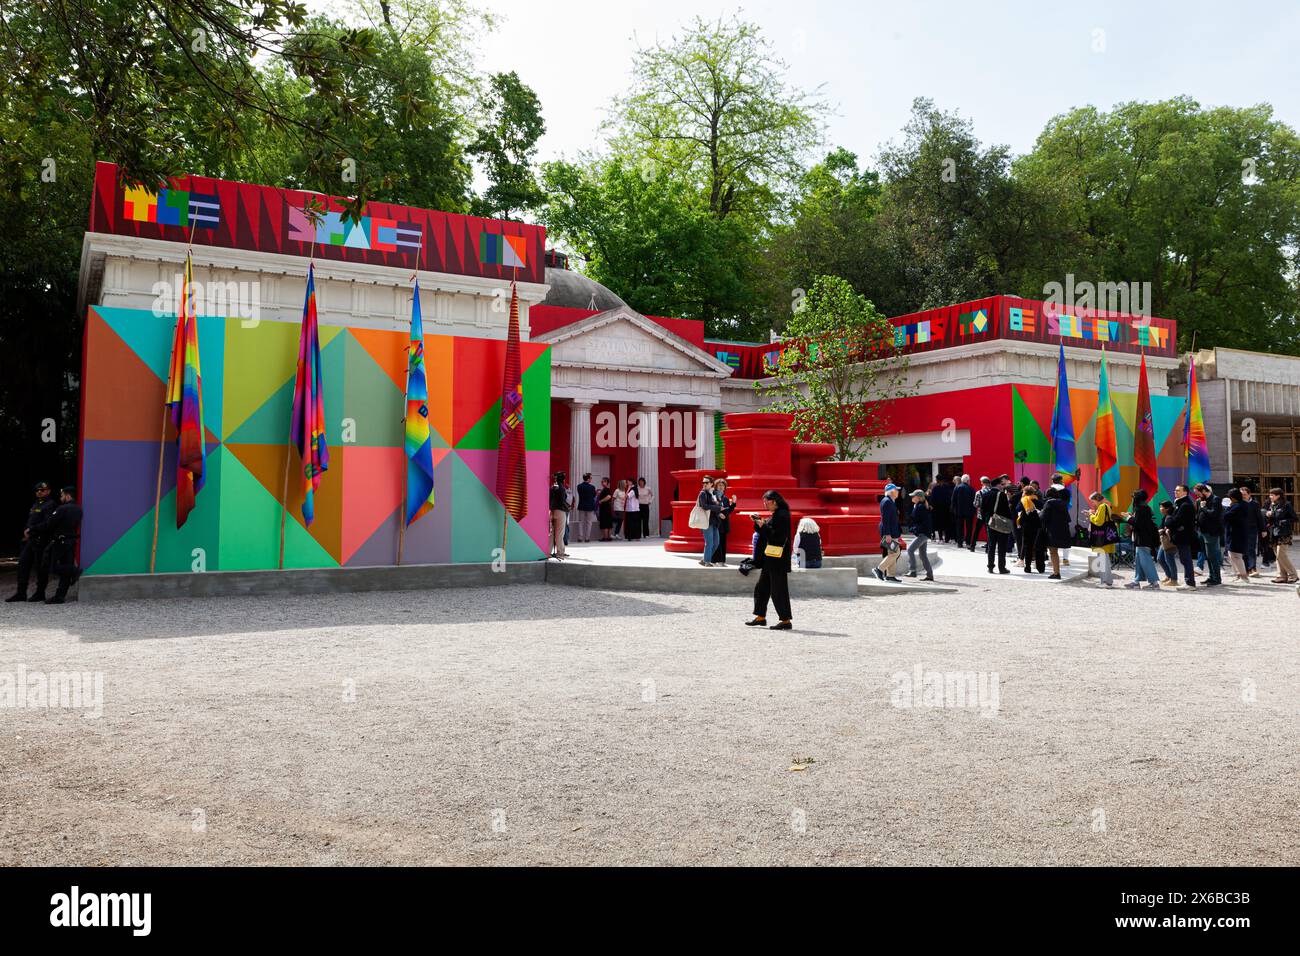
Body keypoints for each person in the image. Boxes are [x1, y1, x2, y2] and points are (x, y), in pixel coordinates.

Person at [746, 490, 793, 630]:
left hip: (778, 560)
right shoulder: (776, 515)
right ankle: (760, 617)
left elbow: (777, 536)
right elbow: (767, 532)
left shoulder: (782, 515)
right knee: (762, 588)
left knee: (778, 590)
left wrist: (763, 525)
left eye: (766, 501)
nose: (765, 504)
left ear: (774, 501)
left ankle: (785, 621)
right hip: (770, 558)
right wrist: (759, 523)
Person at [6, 481, 58, 603]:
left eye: (42, 490)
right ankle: (21, 593)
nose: (39, 492)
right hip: (31, 540)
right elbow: (31, 520)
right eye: (37, 490)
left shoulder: (50, 504)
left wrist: (32, 529)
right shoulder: (36, 504)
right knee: (23, 564)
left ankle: (40, 593)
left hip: (42, 540)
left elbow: (48, 524)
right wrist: (26, 530)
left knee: (40, 568)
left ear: (48, 491)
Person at [32, 487, 83, 604]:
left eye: (62, 496)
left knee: (51, 566)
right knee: (65, 567)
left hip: (60, 541)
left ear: (68, 496)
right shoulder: (78, 509)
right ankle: (60, 596)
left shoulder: (62, 508)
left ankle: (74, 571)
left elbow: (49, 524)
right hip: (71, 541)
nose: (60, 498)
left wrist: (33, 529)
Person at [1121, 489, 1161, 590]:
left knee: (1146, 560)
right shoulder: (1145, 508)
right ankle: (1136, 581)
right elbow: (1141, 522)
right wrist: (1131, 516)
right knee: (1139, 560)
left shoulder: (1140, 509)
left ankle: (1154, 583)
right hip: (1143, 538)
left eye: (1133, 497)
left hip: (1143, 539)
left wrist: (1128, 518)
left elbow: (1138, 524)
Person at [1264, 488, 1297, 583]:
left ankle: (1293, 575)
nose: (1270, 497)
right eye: (1270, 495)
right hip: (1273, 533)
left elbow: (1294, 518)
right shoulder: (1271, 505)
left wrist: (1282, 522)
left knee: (1281, 555)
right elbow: (1270, 517)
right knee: (1277, 556)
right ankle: (1281, 576)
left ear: (1278, 495)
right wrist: (1268, 515)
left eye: (1272, 495)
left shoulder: (1286, 505)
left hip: (1283, 533)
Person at [1168, 484, 1198, 588]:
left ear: (1185, 492)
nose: (1175, 492)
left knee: (1186, 559)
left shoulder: (1185, 504)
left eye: (1178, 491)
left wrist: (1168, 520)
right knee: (1184, 559)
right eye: (1175, 490)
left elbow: (1176, 520)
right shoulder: (1180, 503)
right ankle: (1188, 581)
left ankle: (1190, 583)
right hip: (1181, 535)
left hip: (1184, 536)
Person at [1194, 483, 1224, 587]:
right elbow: (1198, 515)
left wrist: (1204, 508)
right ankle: (1211, 577)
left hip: (1211, 532)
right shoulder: (1200, 501)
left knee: (1213, 555)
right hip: (1202, 531)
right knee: (1208, 556)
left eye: (1198, 493)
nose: (1197, 496)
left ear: (1203, 491)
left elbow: (1214, 514)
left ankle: (1217, 578)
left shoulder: (1215, 499)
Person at [1085, 491, 1117, 587]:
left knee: (1103, 559)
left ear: (1097, 500)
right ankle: (1107, 581)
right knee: (1104, 559)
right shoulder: (1104, 506)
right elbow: (1102, 518)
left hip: (1102, 538)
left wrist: (1090, 515)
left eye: (1093, 501)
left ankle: (1106, 582)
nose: (1092, 503)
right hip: (1105, 536)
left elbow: (1099, 522)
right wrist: (1093, 513)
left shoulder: (1103, 506)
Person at [983, 476, 1014, 574]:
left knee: (991, 546)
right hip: (1001, 524)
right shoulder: (1001, 495)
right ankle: (1001, 568)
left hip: (990, 523)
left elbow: (982, 509)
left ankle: (990, 567)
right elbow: (1007, 511)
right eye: (1002, 484)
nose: (1003, 486)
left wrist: (987, 520)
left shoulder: (986, 494)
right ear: (998, 485)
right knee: (1002, 546)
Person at [873, 483, 904, 582]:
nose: (898, 492)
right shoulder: (887, 502)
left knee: (892, 552)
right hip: (889, 532)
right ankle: (879, 569)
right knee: (896, 552)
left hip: (892, 531)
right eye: (896, 490)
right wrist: (887, 534)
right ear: (892, 491)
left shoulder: (889, 501)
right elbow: (885, 519)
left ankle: (890, 575)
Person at [1041, 486, 1071, 579]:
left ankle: (1056, 573)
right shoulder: (1063, 503)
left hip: (1052, 530)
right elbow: (1068, 519)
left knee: (1053, 552)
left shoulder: (1048, 503)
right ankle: (1056, 572)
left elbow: (1043, 517)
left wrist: (1039, 512)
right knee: (1055, 552)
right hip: (1063, 530)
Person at [1223, 489, 1252, 582]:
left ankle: (1243, 576)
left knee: (1237, 556)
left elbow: (1226, 516)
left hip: (1236, 534)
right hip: (1236, 533)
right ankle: (1239, 575)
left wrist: (1227, 508)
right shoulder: (1243, 504)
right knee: (1231, 555)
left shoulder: (1238, 506)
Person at [905, 489, 934, 580]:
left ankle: (913, 571)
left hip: (923, 534)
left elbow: (918, 522)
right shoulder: (919, 506)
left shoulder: (920, 507)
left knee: (910, 550)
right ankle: (929, 575)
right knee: (922, 555)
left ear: (918, 497)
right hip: (924, 533)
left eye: (913, 496)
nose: (912, 497)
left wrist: (913, 529)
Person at [1018, 480, 1045, 574]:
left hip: (1026, 526)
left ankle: (1028, 567)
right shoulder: (1037, 500)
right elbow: (1043, 510)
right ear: (1033, 492)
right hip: (1037, 525)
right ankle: (1040, 567)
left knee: (1027, 546)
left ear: (1024, 492)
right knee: (1038, 546)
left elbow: (1017, 509)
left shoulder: (1023, 501)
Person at [1238, 486, 1263, 577]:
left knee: (1251, 549)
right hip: (1240, 530)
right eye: (1241, 495)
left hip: (1252, 529)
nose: (1243, 496)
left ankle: (1252, 568)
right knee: (1243, 550)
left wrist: (1263, 529)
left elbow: (1259, 517)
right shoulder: (1238, 504)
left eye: (1245, 494)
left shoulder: (1255, 504)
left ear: (1249, 494)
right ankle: (1245, 569)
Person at [696, 476, 721, 567]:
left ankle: (704, 559)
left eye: (706, 483)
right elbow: (705, 506)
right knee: (709, 542)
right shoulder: (703, 493)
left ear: (711, 484)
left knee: (716, 543)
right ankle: (707, 561)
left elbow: (718, 503)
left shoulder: (714, 493)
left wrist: (718, 505)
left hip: (714, 521)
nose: (704, 484)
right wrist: (717, 507)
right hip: (706, 521)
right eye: (703, 483)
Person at [711, 478, 736, 565]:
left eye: (723, 485)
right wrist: (718, 514)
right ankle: (714, 560)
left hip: (724, 523)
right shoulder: (713, 497)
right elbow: (710, 510)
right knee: (716, 542)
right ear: (716, 486)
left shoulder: (725, 498)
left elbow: (728, 511)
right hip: (716, 522)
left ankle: (722, 561)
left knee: (723, 542)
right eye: (719, 485)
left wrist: (733, 503)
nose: (721, 487)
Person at [952, 474, 977, 551]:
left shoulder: (957, 487)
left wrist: (954, 509)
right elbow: (974, 501)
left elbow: (953, 500)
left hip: (959, 512)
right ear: (968, 480)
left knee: (959, 527)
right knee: (969, 528)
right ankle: (968, 543)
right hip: (969, 512)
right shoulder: (971, 489)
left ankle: (959, 543)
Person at [548, 472, 568, 560]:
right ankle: (560, 552)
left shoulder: (553, 487)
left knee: (552, 533)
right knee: (560, 534)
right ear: (563, 480)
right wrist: (568, 507)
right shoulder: (562, 488)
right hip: (560, 511)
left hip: (552, 511)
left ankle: (548, 552)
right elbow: (562, 501)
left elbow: (550, 499)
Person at [575, 473, 597, 543]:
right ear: (588, 479)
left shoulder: (579, 486)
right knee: (589, 523)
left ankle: (580, 537)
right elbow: (594, 496)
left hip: (581, 505)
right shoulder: (592, 487)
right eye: (590, 478)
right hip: (590, 506)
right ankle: (587, 538)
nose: (591, 479)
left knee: (581, 522)